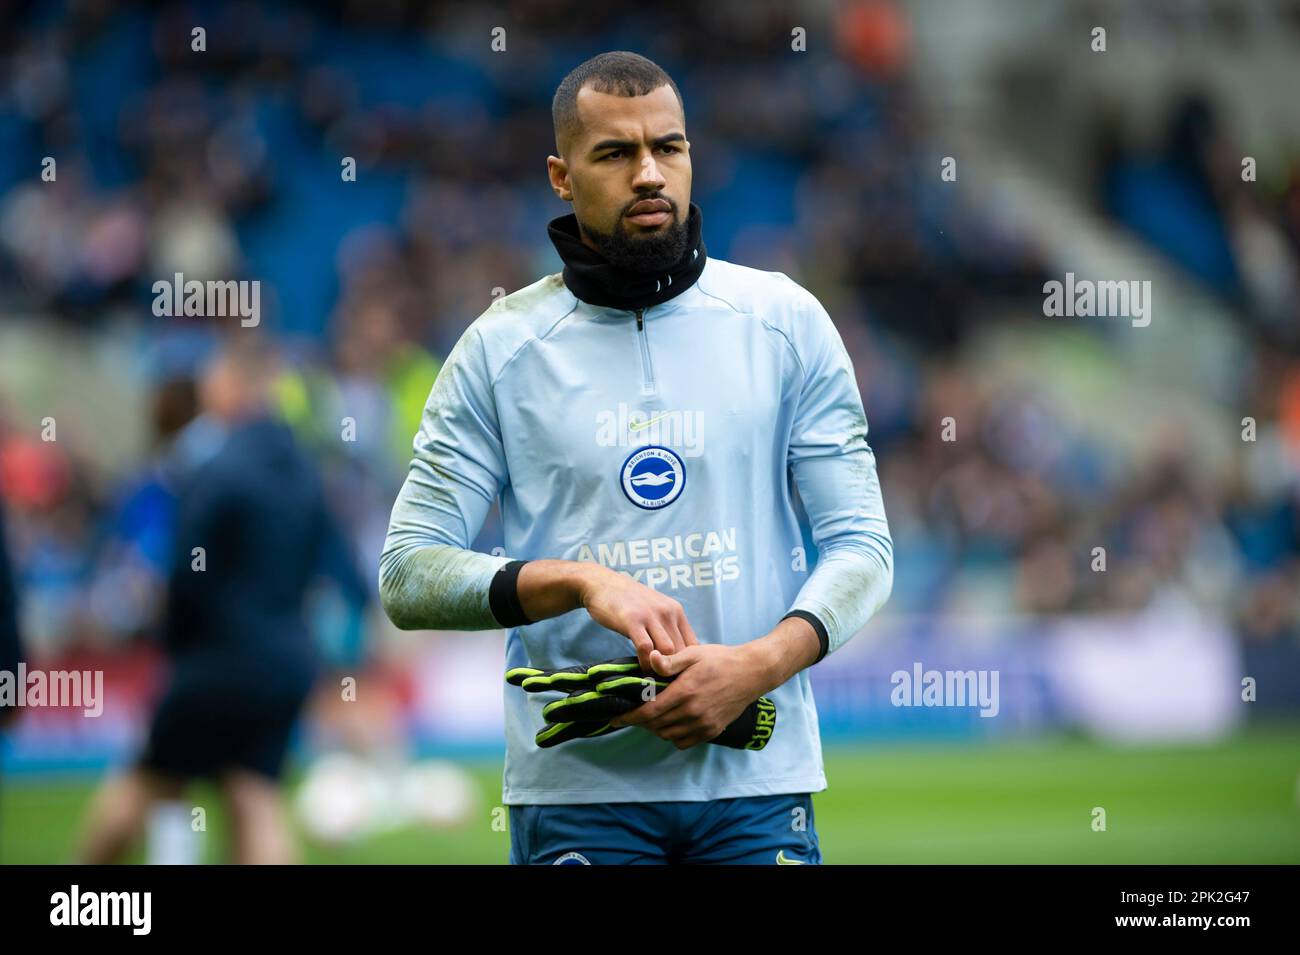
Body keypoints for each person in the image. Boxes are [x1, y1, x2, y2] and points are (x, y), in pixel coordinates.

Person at [379, 51, 893, 865]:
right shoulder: (499, 351)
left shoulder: (784, 322)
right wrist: (579, 581)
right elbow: (408, 574)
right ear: (560, 173)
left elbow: (864, 546)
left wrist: (758, 665)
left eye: (669, 147)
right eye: (615, 153)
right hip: (579, 795)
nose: (649, 173)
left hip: (756, 781)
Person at [78, 337, 366, 864]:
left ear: (234, 386)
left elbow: (188, 576)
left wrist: (170, 645)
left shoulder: (216, 469)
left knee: (142, 782)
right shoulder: (305, 473)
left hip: (216, 663)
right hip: (285, 661)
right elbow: (342, 573)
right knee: (255, 799)